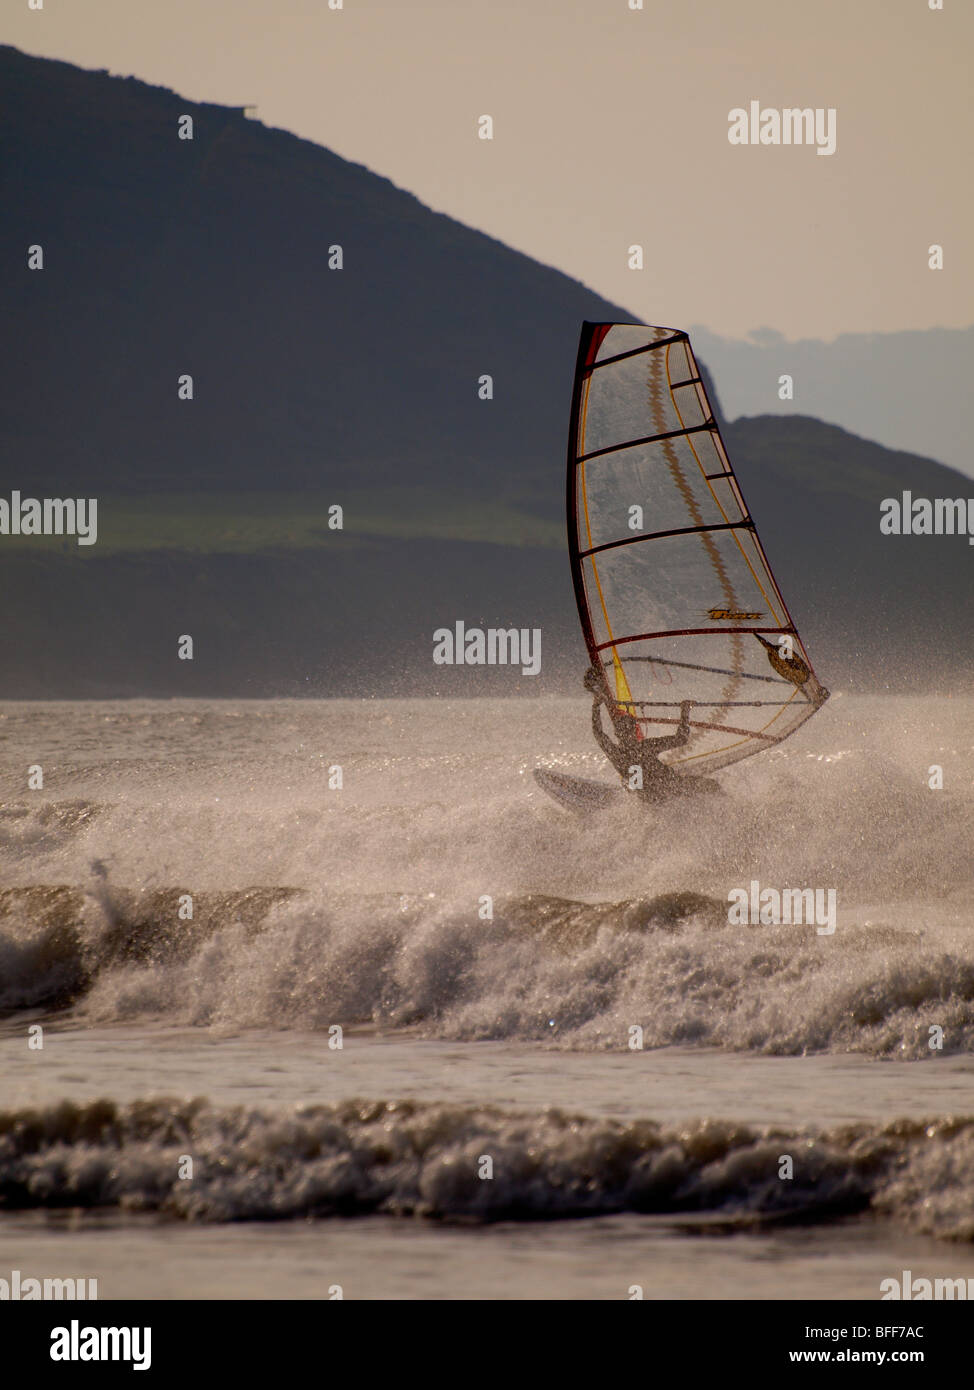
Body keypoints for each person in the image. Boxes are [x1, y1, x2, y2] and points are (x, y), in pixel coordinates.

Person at [583, 666, 720, 802]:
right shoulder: (646, 747)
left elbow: (598, 733)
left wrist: (596, 707)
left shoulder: (616, 754)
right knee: (713, 785)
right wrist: (685, 712)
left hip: (650, 800)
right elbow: (681, 739)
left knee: (702, 786)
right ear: (634, 731)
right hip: (672, 790)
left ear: (617, 733)